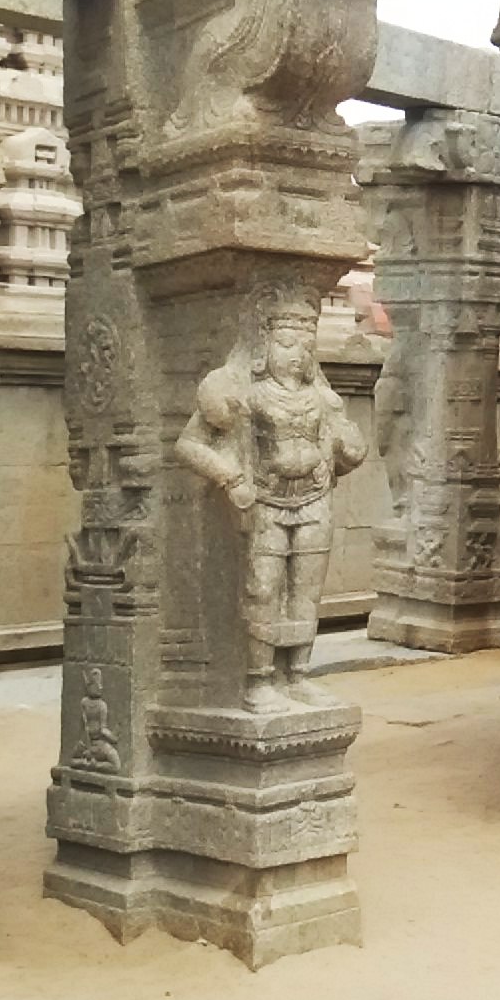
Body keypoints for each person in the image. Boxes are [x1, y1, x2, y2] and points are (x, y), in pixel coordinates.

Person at [177, 288, 365, 712]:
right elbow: (188, 446)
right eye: (285, 343)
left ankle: (297, 674)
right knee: (263, 588)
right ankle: (259, 679)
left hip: (314, 498)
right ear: (264, 345)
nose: (297, 354)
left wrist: (346, 446)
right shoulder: (240, 390)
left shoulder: (322, 396)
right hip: (265, 500)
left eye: (306, 345)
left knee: (306, 590)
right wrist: (229, 476)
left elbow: (351, 448)